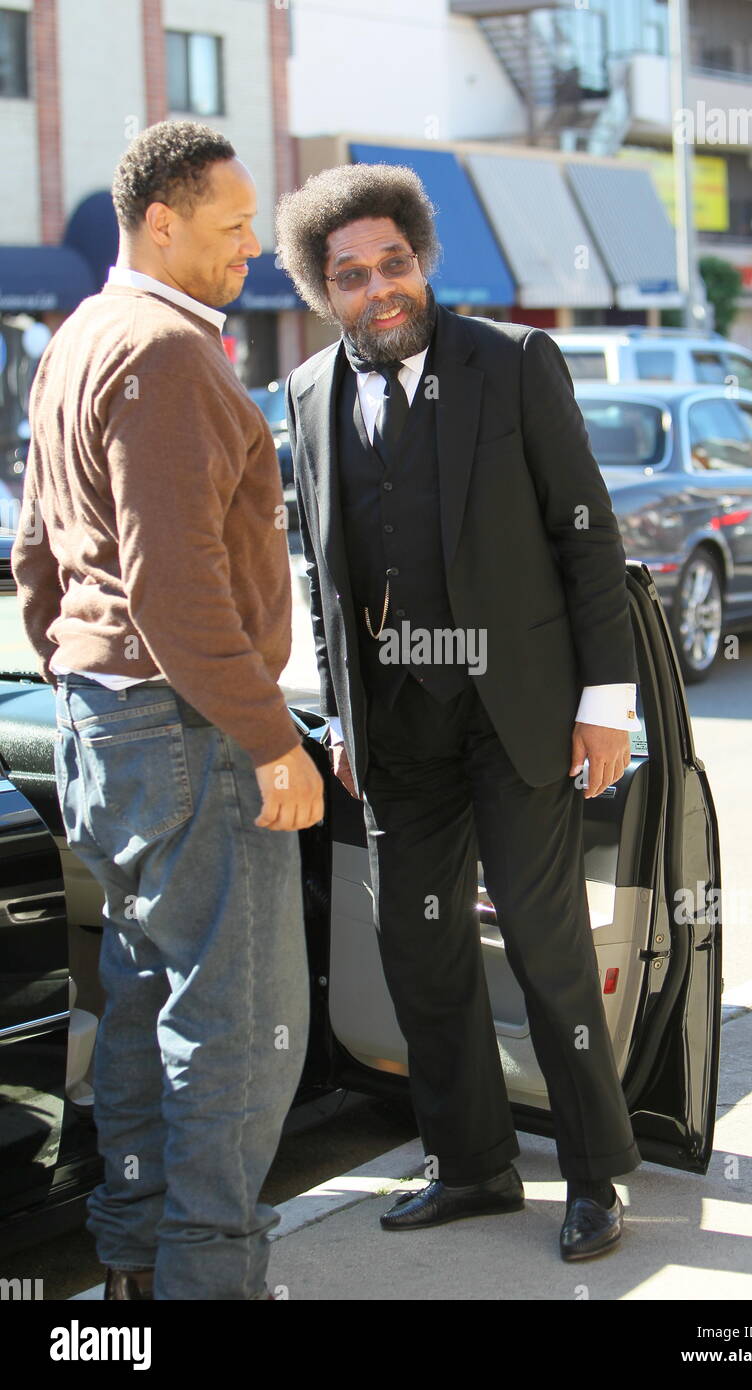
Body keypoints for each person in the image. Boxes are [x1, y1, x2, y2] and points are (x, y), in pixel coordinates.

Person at [275, 162, 643, 1261]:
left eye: (393, 263)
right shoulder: (306, 394)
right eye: (350, 275)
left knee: (543, 946)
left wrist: (606, 702)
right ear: (321, 288)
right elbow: (322, 574)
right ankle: (471, 1163)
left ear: (422, 259)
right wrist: (341, 713)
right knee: (418, 951)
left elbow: (587, 536)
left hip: (514, 706)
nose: (378, 288)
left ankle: (591, 1175)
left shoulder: (513, 361)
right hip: (395, 722)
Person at [11, 119, 323, 1300]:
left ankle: (135, 1268)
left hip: (109, 724)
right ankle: (205, 1286)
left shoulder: (78, 336)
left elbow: (38, 551)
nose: (254, 244)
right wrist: (267, 735)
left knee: (143, 1008)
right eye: (234, 224)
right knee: (237, 1034)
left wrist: (77, 675)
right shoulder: (172, 351)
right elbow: (176, 581)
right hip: (186, 728)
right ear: (161, 221)